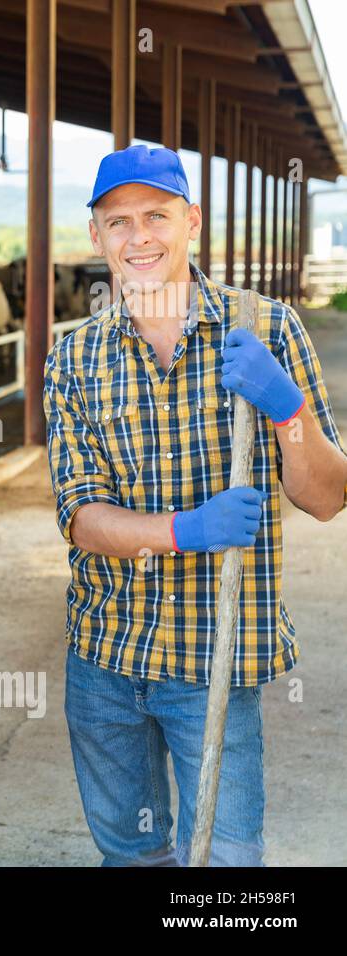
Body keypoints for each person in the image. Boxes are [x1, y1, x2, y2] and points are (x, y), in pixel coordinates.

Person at [43, 144, 347, 866]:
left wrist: (286, 410)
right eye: (118, 222)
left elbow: (329, 498)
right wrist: (186, 530)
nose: (138, 237)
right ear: (96, 236)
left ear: (192, 222)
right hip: (105, 656)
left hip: (213, 651)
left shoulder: (267, 329)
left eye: (156, 215)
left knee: (229, 863)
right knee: (131, 853)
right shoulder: (76, 356)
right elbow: (80, 516)